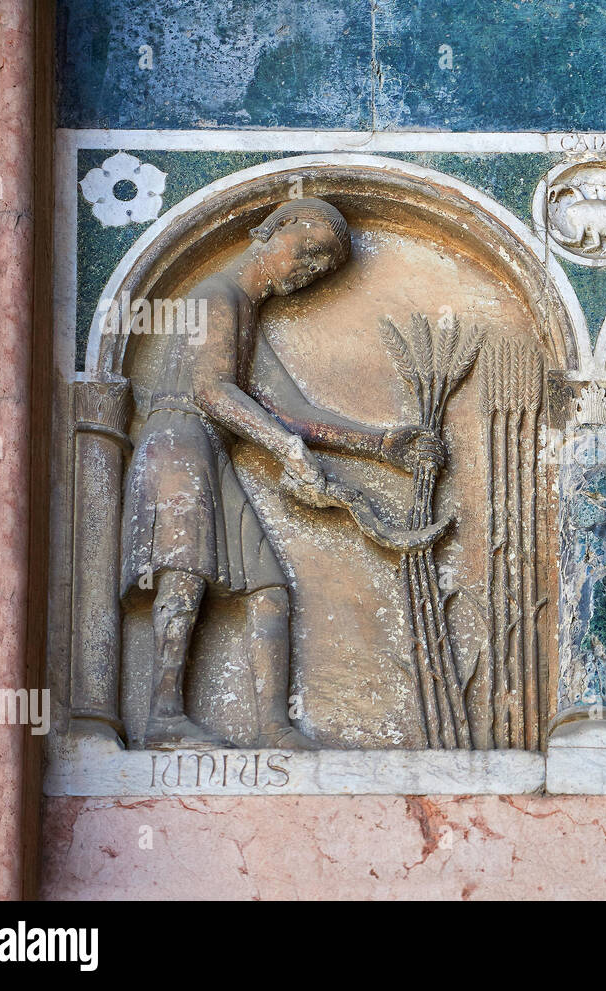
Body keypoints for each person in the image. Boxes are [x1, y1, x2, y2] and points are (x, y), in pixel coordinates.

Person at [120, 198, 443, 748]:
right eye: (311, 249)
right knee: (184, 570)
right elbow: (210, 389)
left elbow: (293, 412)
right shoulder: (215, 296)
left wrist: (385, 444)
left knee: (268, 584)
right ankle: (163, 716)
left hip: (210, 446)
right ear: (273, 226)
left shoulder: (244, 312)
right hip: (178, 438)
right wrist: (283, 448)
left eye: (324, 265)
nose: (311, 267)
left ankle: (272, 725)